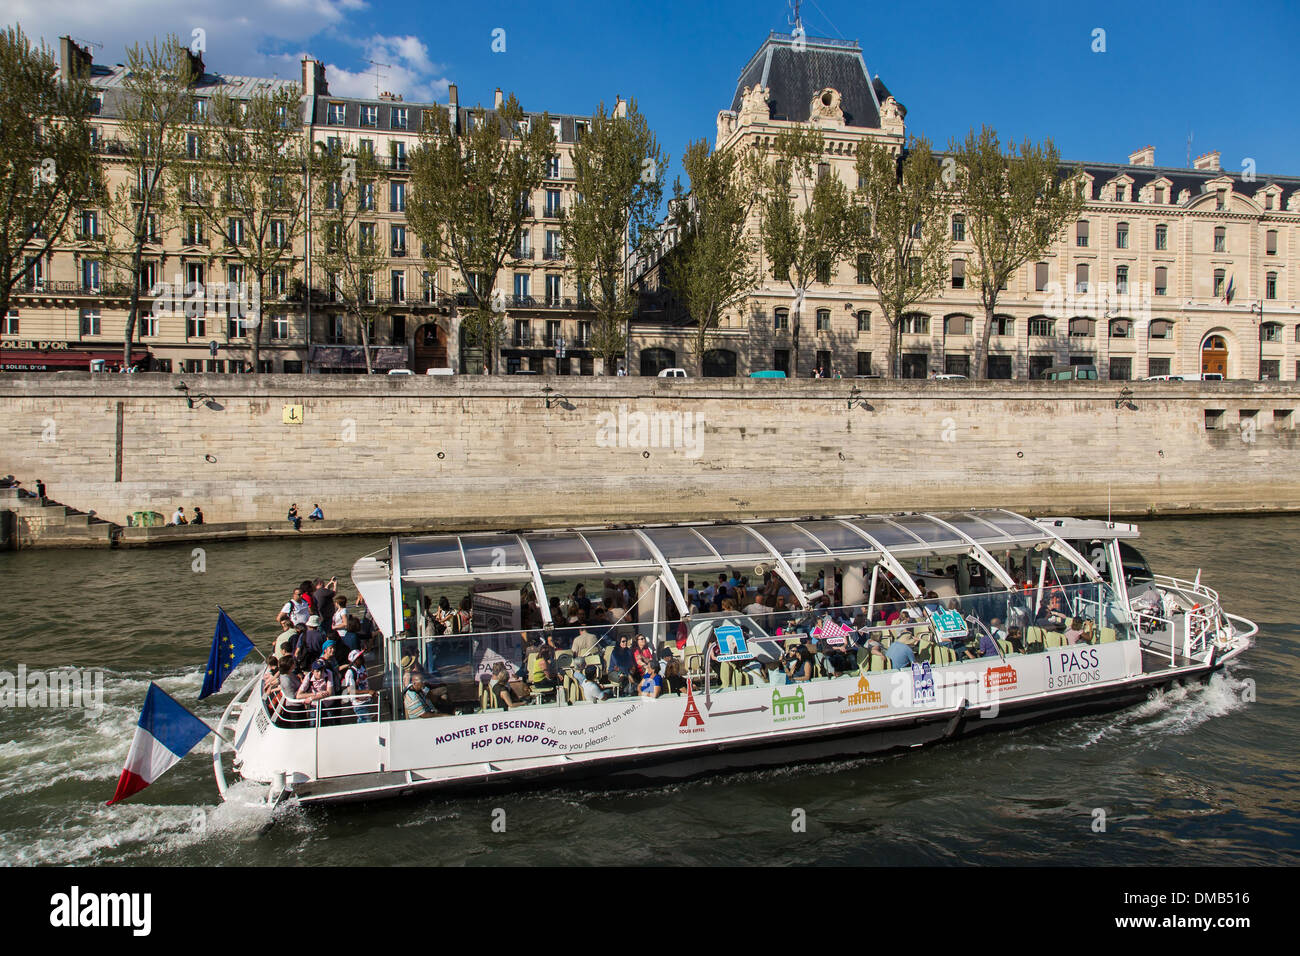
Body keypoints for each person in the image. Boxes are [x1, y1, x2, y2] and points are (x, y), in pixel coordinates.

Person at [340, 650, 373, 722]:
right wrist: (368, 691)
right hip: (358, 704)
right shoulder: (350, 672)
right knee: (366, 722)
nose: (362, 658)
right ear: (355, 660)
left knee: (364, 722)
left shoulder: (362, 668)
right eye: (360, 657)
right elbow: (351, 691)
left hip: (366, 701)